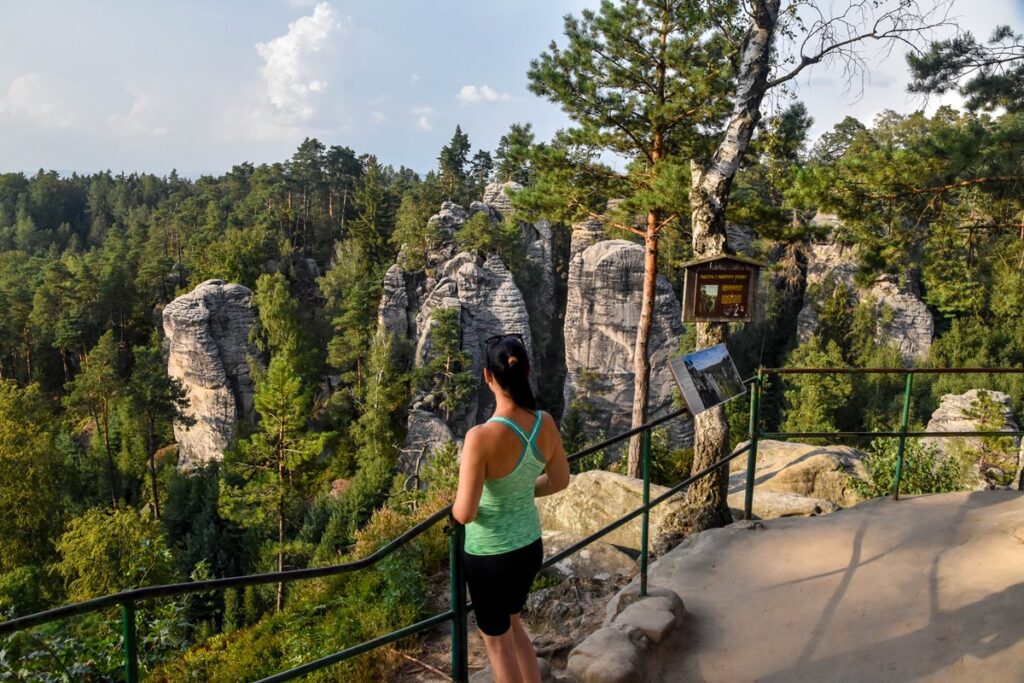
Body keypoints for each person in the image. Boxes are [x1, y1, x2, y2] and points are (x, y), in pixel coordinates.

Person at [452, 333, 570, 683]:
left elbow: (465, 513)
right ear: (528, 371)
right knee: (515, 626)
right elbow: (559, 481)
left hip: (490, 556)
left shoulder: (480, 438)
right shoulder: (544, 423)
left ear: (487, 377)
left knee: (497, 644)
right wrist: (519, 490)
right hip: (528, 548)